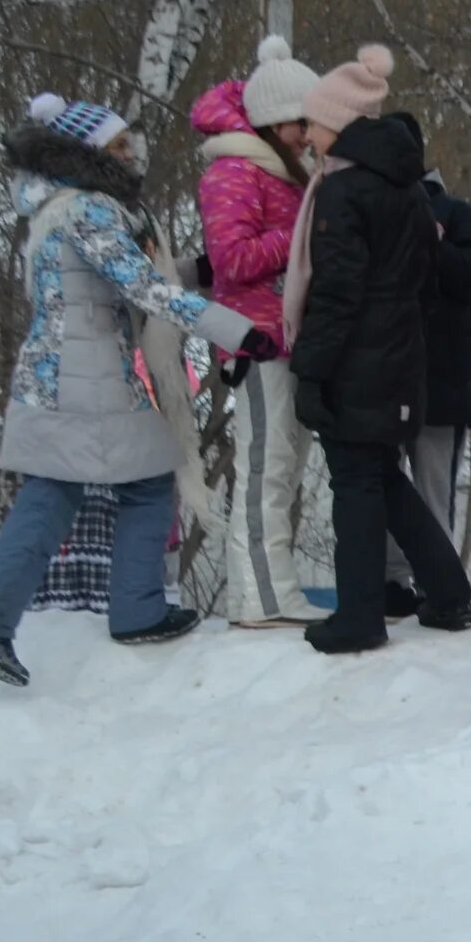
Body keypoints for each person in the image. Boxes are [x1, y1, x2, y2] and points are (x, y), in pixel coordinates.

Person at [0, 96, 268, 689]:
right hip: (84, 380)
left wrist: (202, 269)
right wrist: (240, 331)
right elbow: (143, 288)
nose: (131, 155)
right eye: (120, 146)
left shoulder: (54, 207)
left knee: (66, 494)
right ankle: (122, 611)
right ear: (91, 153)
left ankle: (1, 619)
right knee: (136, 483)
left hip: (61, 374)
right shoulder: (92, 210)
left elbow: (128, 275)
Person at [282, 47, 471, 654]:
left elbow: (336, 292)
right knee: (380, 477)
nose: (306, 134)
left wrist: (310, 373)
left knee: (357, 483)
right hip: (399, 352)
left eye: (311, 122)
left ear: (336, 123)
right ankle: (447, 594)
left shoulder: (343, 192)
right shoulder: (408, 189)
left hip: (357, 357)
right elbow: (424, 276)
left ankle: (360, 614)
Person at [194, 34, 323, 625]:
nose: (308, 135)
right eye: (301, 123)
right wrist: (302, 233)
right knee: (264, 469)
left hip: (284, 338)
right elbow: (231, 260)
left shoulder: (280, 172)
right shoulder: (233, 171)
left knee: (283, 467)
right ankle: (266, 598)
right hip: (255, 340)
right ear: (274, 122)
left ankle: (258, 593)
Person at [407, 141, 471, 570]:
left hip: (442, 385)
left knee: (434, 494)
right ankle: (390, 583)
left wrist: (434, 243)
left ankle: (438, 583)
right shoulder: (361, 207)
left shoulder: (458, 215)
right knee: (377, 488)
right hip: (379, 381)